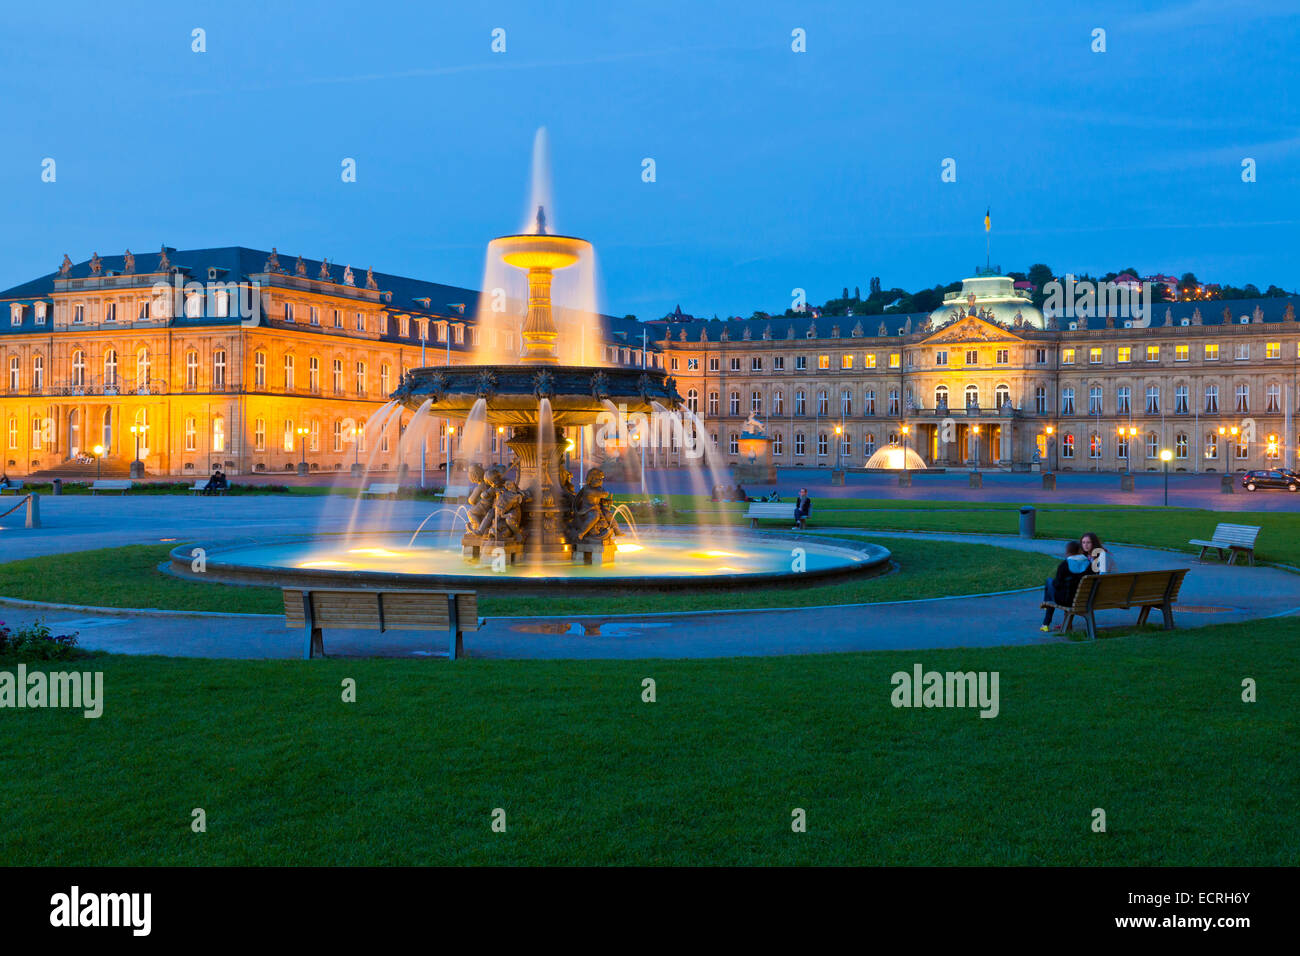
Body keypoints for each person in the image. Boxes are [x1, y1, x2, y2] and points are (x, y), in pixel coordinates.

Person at [1040, 540, 1093, 631]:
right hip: (1084, 600)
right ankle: (1051, 621)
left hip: (1065, 600)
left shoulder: (1064, 565)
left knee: (1049, 582)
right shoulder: (1089, 565)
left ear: (1068, 552)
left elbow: (1057, 585)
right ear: (1080, 551)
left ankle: (1046, 623)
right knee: (1055, 586)